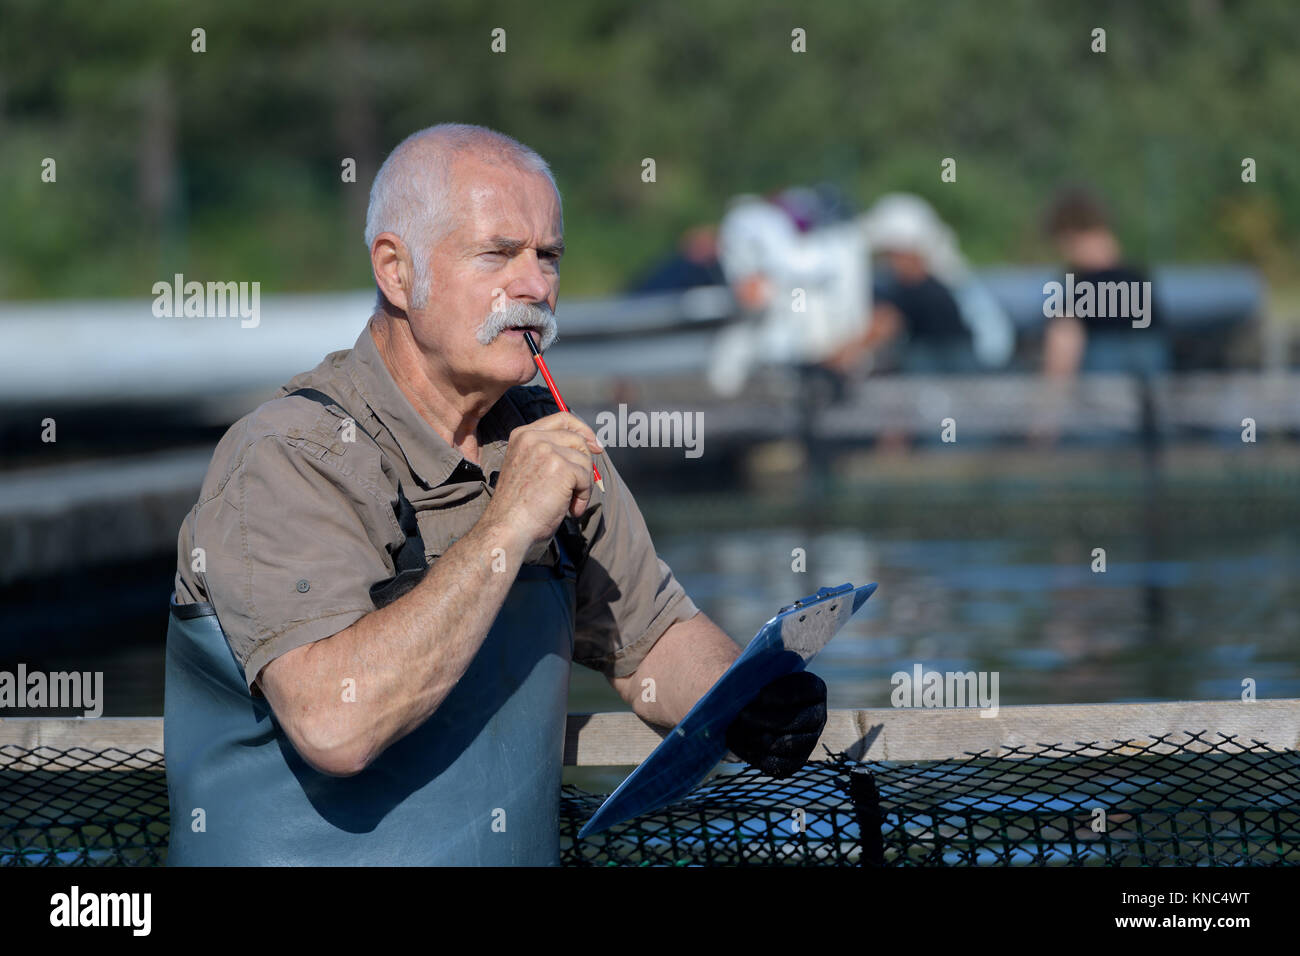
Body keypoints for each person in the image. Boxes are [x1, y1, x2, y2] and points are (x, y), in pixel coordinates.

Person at [164, 123, 827, 866]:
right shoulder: (288, 455)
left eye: (548, 257)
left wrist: (745, 698)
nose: (535, 286)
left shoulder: (546, 441)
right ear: (395, 269)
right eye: (497, 253)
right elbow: (333, 725)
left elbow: (650, 641)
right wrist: (510, 523)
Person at [1041, 186, 1169, 379]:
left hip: (1100, 401)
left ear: (1069, 238)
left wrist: (1047, 404)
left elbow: (1062, 350)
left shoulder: (1079, 291)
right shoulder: (1140, 281)